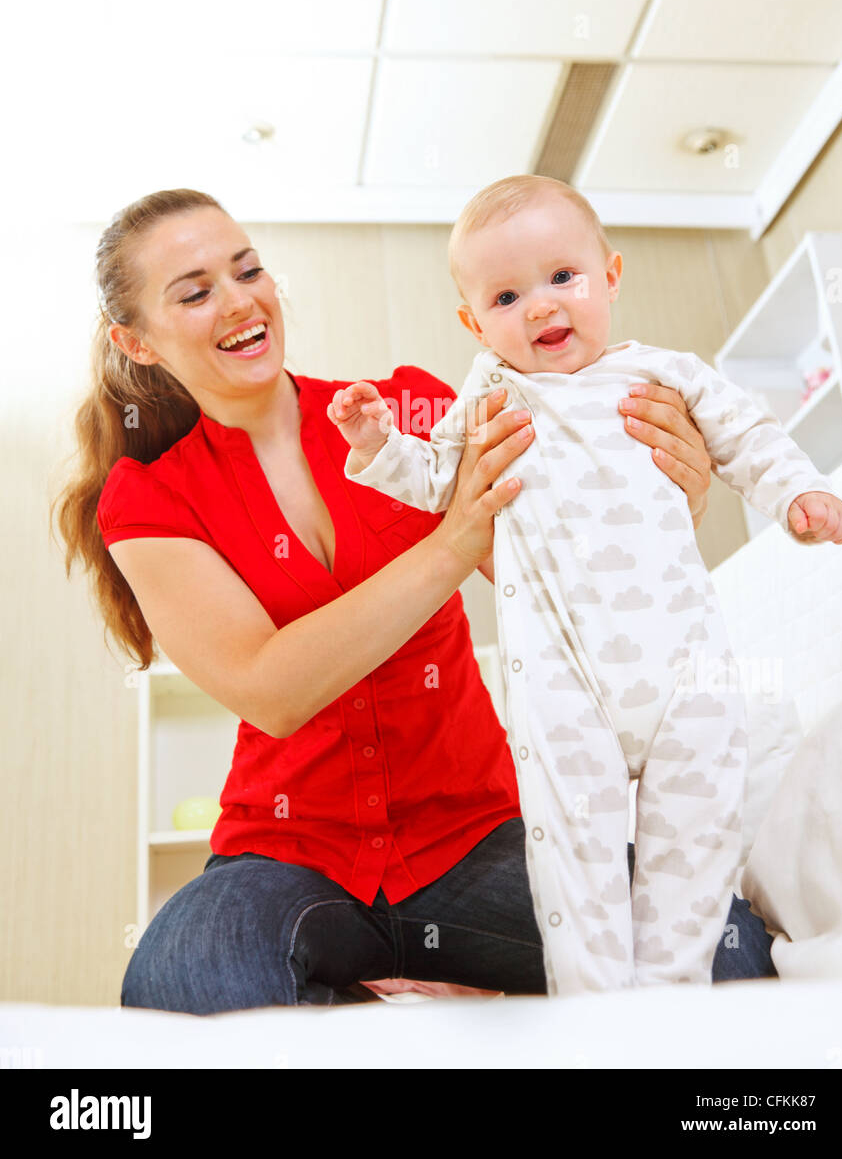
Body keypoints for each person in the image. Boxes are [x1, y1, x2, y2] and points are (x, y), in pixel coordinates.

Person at [52, 187, 777, 1015]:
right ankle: (369, 1002)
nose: (240, 299)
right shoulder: (147, 499)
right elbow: (271, 688)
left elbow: (566, 572)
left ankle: (391, 994)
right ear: (134, 341)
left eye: (248, 269)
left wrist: (668, 504)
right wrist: (452, 542)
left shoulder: (408, 411)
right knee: (180, 977)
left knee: (726, 953)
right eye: (196, 290)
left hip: (478, 839)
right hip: (290, 857)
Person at [329, 174, 842, 995]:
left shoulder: (665, 374)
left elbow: (747, 434)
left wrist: (798, 493)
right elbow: (435, 479)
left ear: (610, 275)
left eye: (562, 278)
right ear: (474, 323)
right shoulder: (493, 394)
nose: (540, 307)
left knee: (697, 842)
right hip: (564, 674)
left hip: (682, 664)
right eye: (507, 295)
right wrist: (375, 440)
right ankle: (598, 1018)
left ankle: (668, 1009)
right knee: (575, 858)